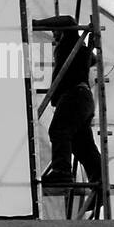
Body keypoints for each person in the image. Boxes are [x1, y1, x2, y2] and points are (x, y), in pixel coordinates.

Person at [35, 15, 101, 195]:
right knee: (82, 146)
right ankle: (99, 182)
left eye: (56, 31)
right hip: (82, 99)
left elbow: (68, 20)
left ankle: (62, 173)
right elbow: (92, 59)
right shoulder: (79, 50)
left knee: (59, 130)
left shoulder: (70, 42)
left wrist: (36, 23)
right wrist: (88, 46)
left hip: (74, 96)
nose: (54, 35)